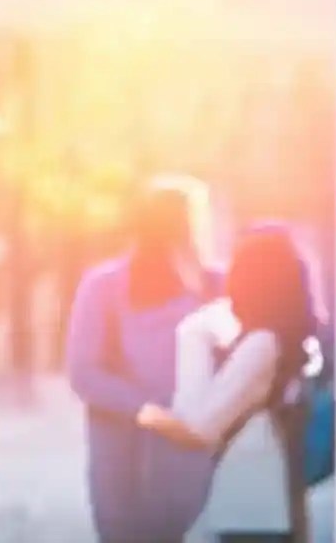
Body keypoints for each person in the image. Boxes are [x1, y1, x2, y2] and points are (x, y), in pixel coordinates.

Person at [65, 175, 224, 542]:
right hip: (126, 454)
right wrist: (152, 411)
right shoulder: (106, 286)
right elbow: (84, 373)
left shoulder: (217, 284)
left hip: (197, 455)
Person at [140, 224, 322, 542]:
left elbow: (199, 429)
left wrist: (150, 416)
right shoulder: (293, 341)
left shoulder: (262, 344)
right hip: (275, 501)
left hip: (252, 503)